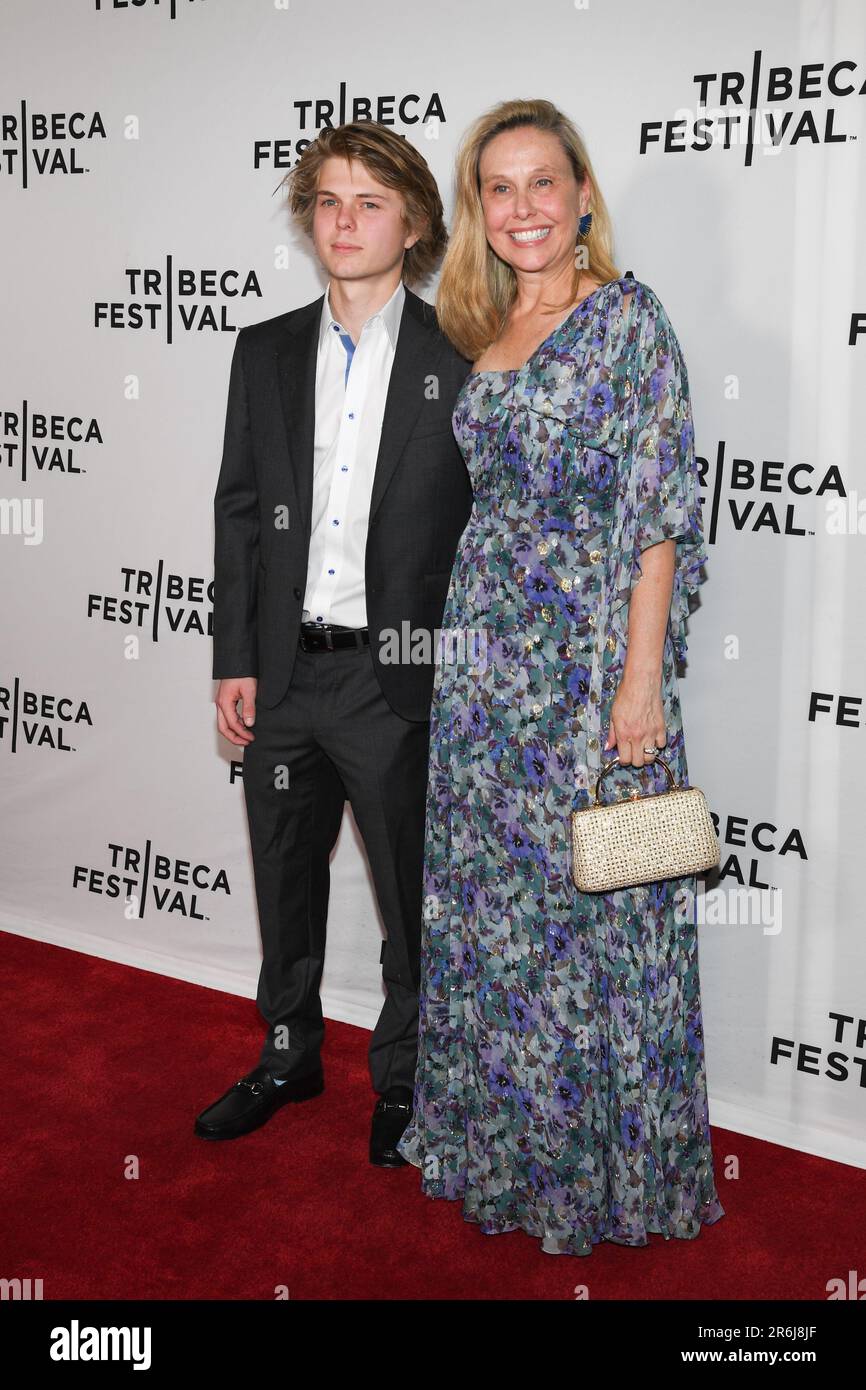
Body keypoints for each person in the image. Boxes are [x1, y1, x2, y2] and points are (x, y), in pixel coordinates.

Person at [396, 98, 726, 1255]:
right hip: (486, 675)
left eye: (544, 182)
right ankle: (504, 1160)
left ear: (582, 194)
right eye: (499, 187)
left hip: (586, 675)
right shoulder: (477, 331)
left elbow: (656, 521)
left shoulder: (628, 320)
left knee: (593, 916)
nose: (523, 206)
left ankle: (603, 1182)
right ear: (476, 209)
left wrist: (640, 687)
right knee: (497, 921)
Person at [196, 122, 473, 1165]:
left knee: (409, 898)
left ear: (412, 224)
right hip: (280, 673)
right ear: (307, 220)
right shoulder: (262, 351)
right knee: (282, 876)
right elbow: (236, 512)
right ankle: (285, 1051)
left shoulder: (458, 350)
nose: (344, 221)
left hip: (391, 676)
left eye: (369, 202)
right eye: (326, 201)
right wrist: (233, 655)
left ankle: (403, 1077)